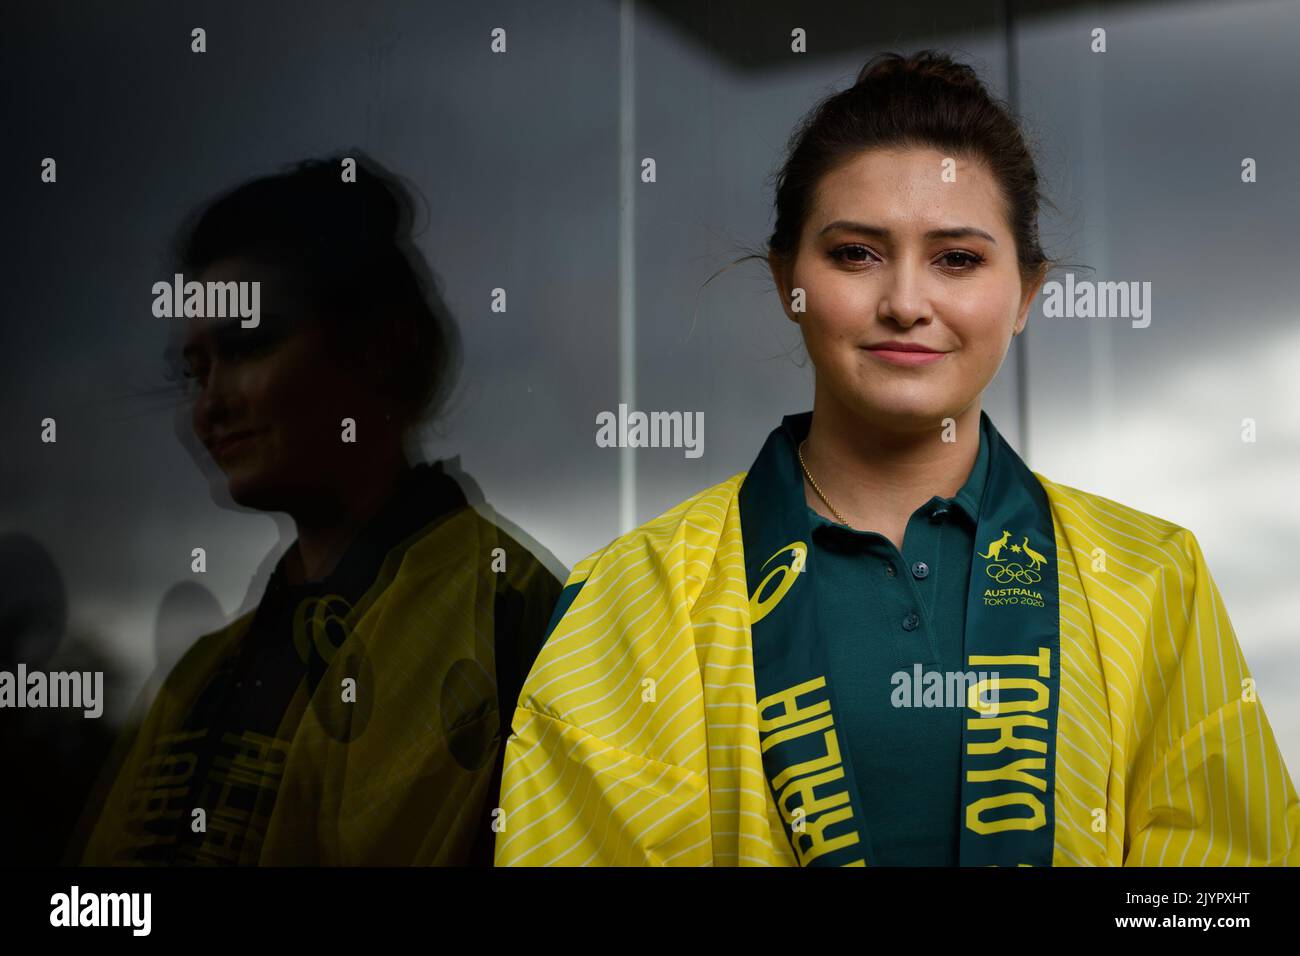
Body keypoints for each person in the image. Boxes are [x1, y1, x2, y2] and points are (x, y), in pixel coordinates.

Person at [494, 51, 1299, 867]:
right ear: (787, 281)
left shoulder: (1151, 577)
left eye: (958, 258)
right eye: (855, 253)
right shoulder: (633, 598)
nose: (906, 303)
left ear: (1026, 293)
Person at [72, 155, 562, 865]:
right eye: (195, 370)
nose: (209, 404)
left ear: (381, 346)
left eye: (246, 347)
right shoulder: (208, 670)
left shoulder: (507, 620)